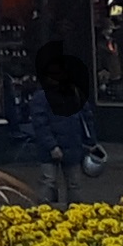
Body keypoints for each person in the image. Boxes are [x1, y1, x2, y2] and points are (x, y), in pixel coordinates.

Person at [29, 42, 95, 204]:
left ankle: (74, 213)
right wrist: (52, 146)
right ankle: (45, 213)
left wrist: (91, 141)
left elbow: (86, 118)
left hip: (72, 145)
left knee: (71, 183)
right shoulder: (43, 97)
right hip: (58, 146)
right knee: (51, 181)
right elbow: (40, 124)